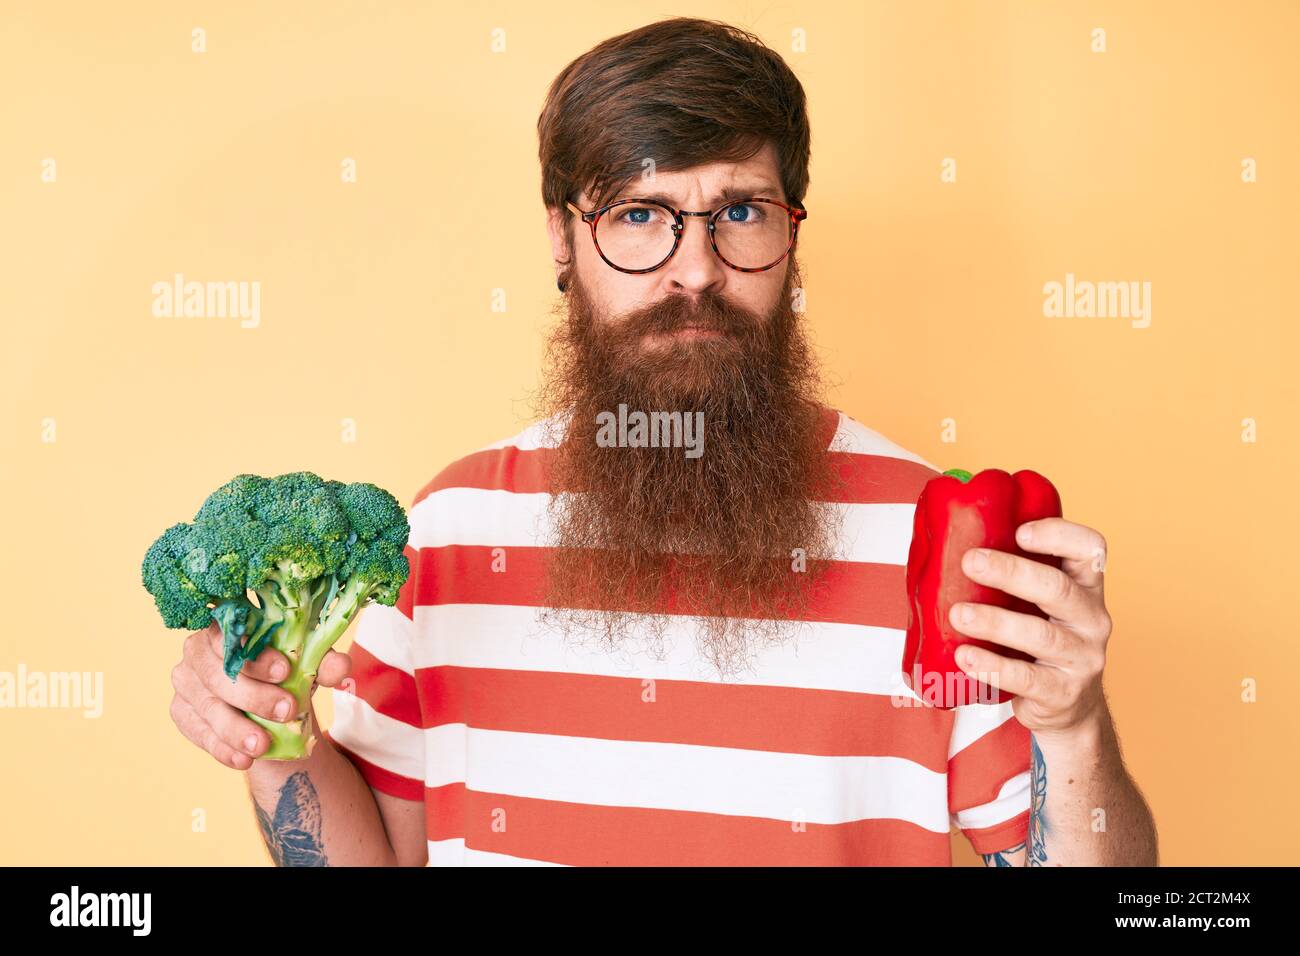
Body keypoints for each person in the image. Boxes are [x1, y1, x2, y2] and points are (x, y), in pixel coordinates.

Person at [168, 16, 1157, 867]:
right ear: (563, 236)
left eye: (738, 211)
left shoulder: (935, 539)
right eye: (640, 215)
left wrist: (1070, 724)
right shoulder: (448, 528)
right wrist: (275, 736)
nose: (696, 270)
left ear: (790, 232)